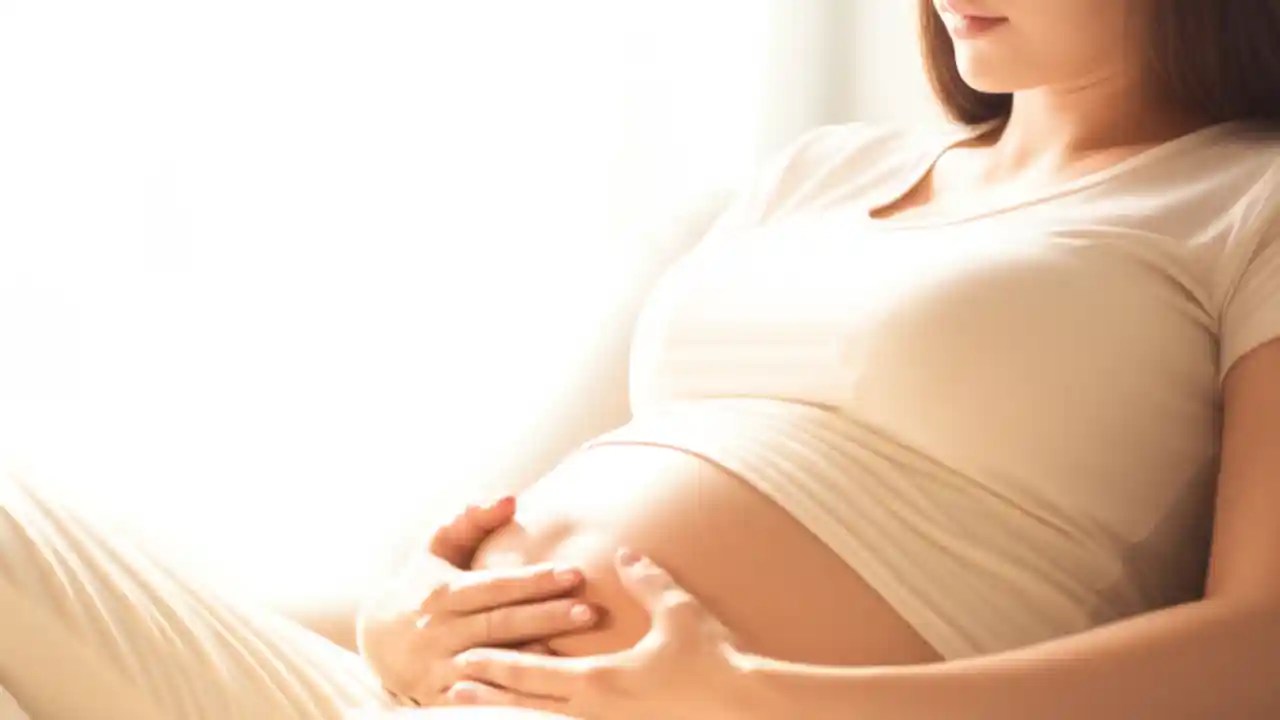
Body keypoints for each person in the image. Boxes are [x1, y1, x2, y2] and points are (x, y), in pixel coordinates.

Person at [4, 0, 1280, 718]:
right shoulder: (815, 172)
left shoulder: (1245, 200)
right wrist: (399, 617)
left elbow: (1258, 643)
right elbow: (483, 525)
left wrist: (756, 703)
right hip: (400, 697)